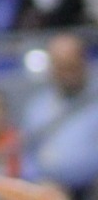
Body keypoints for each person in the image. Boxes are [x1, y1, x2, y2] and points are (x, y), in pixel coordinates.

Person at [18, 35, 98, 192]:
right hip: (52, 190)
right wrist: (39, 181)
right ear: (51, 68)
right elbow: (26, 156)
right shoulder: (37, 109)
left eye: (72, 66)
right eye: (61, 67)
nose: (68, 74)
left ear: (83, 63)